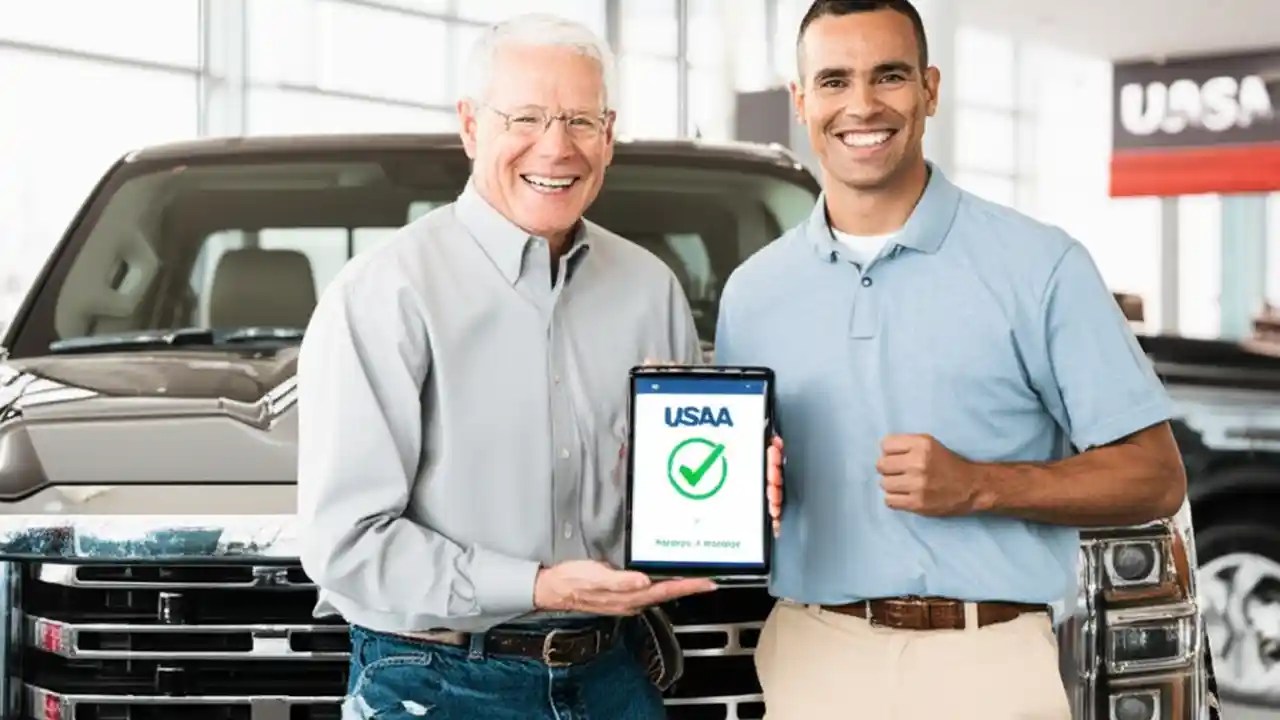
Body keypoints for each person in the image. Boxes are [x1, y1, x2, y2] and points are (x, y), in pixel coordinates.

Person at [715, 1, 1189, 718]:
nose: (862, 105)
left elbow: (1155, 478)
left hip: (989, 664)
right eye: (835, 81)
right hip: (813, 659)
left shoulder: (1040, 265)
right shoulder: (753, 293)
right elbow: (740, 492)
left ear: (930, 90)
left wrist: (980, 486)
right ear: (802, 100)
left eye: (890, 76)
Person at [295, 13, 730, 719]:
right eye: (525, 116)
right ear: (471, 125)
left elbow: (681, 491)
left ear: (609, 135)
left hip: (614, 673)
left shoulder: (651, 290)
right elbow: (344, 543)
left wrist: (738, 490)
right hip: (433, 679)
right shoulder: (385, 293)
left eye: (581, 121)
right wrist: (538, 586)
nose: (556, 147)